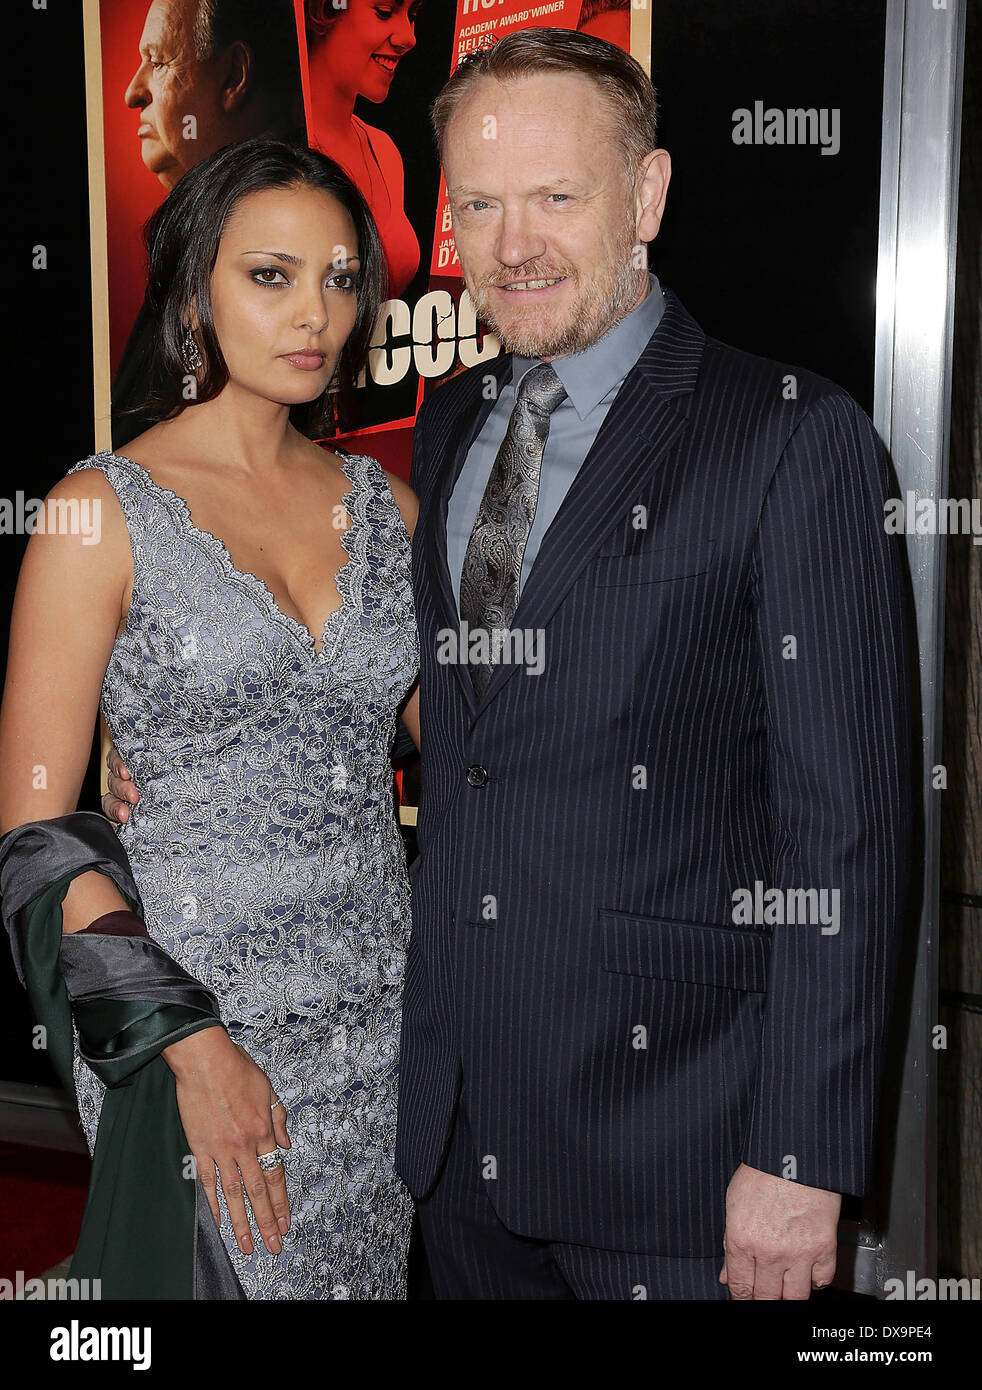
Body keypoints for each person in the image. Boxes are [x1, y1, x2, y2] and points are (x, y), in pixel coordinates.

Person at [106, 30, 913, 1301]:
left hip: (680, 1156)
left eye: (555, 197)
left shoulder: (792, 441)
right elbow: (444, 708)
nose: (513, 243)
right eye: (477, 205)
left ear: (645, 197)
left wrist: (801, 1157)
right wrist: (159, 718)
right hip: (445, 1135)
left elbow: (850, 835)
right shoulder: (457, 418)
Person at [0, 137, 420, 1299]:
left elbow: (487, 748)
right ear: (195, 293)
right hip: (193, 1017)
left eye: (341, 278)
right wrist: (190, 1045)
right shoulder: (98, 512)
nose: (316, 314)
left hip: (382, 1018)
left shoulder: (390, 510)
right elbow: (34, 844)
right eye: (270, 275)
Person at [302, 0, 422, 297]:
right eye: (384, 12)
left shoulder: (383, 150)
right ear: (323, 11)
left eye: (412, 15)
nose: (409, 37)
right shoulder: (270, 148)